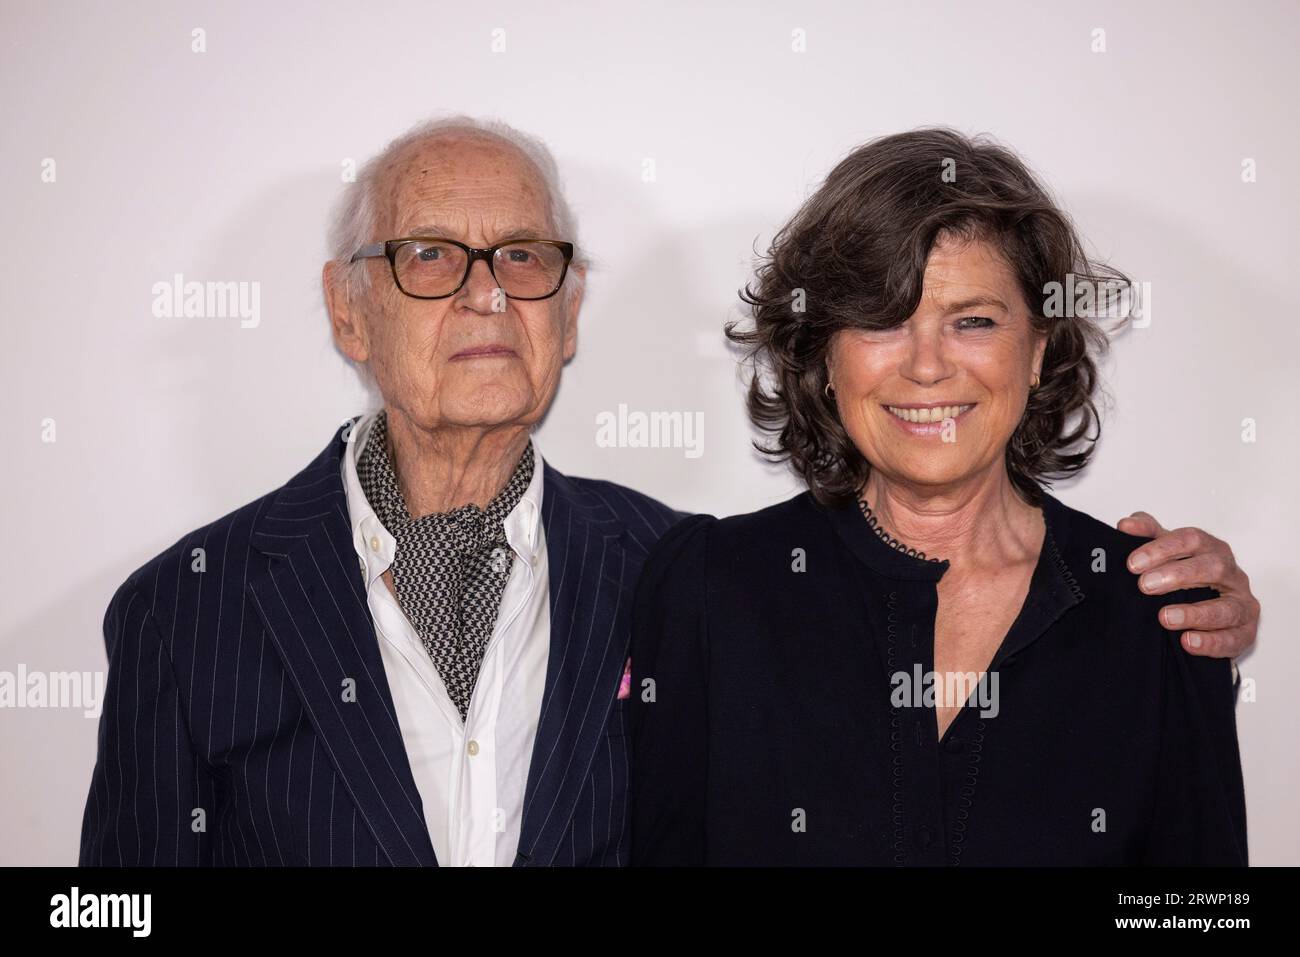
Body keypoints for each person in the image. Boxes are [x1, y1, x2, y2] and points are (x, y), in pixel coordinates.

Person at [80, 117, 1255, 868]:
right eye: (431, 257)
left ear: (569, 310)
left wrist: (1198, 610)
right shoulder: (187, 609)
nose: (487, 298)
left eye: (525, 259)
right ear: (348, 311)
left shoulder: (666, 569)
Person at [628, 128, 1249, 865]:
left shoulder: (1159, 614)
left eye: (973, 321)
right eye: (883, 318)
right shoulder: (707, 588)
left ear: (1039, 348)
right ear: (825, 352)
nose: (927, 366)